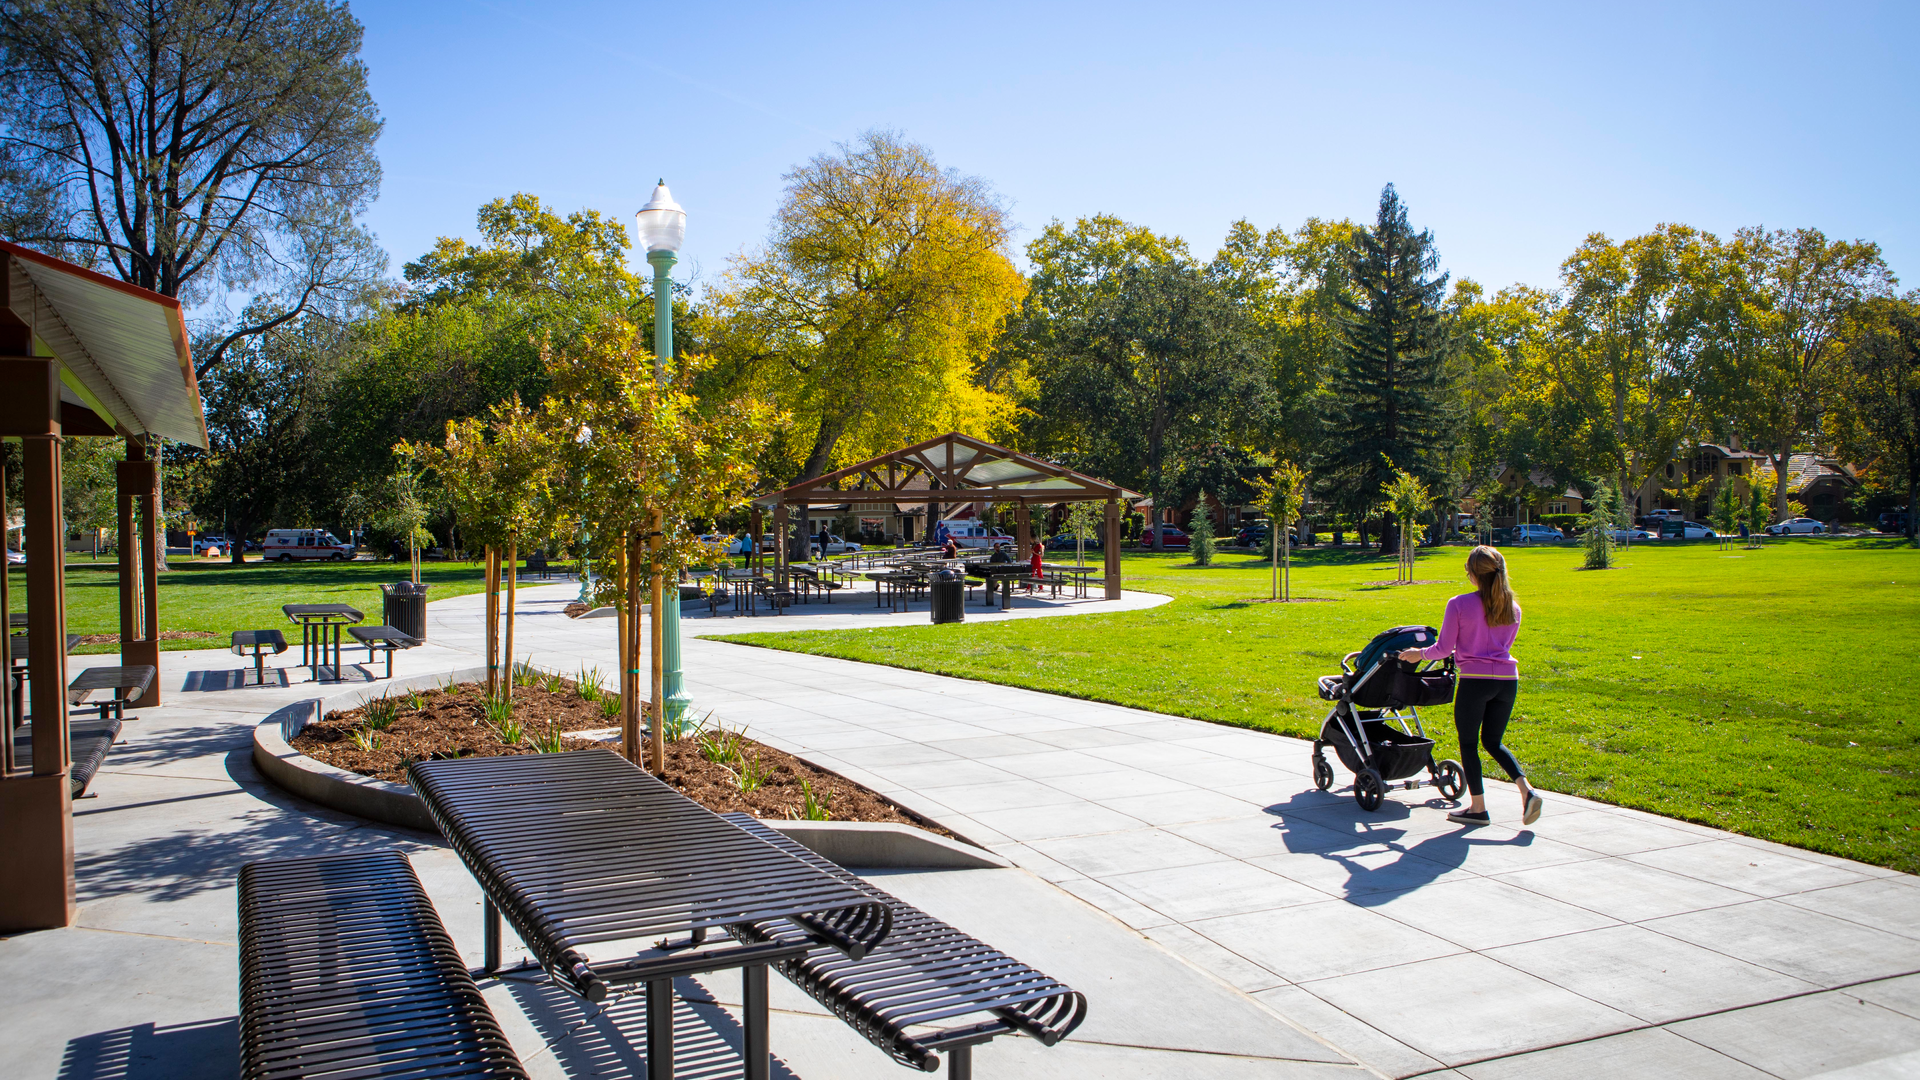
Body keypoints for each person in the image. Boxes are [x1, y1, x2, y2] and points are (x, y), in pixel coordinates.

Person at [1398, 544, 1542, 827]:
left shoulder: (1459, 604)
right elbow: (1495, 645)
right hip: (1507, 681)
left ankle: (1478, 808)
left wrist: (1418, 654)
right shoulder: (1513, 608)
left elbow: (1442, 648)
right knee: (1493, 742)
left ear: (1474, 574)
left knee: (1468, 743)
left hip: (1476, 682)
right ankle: (1527, 791)